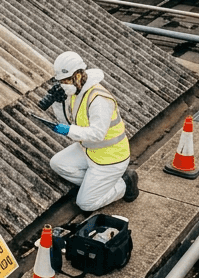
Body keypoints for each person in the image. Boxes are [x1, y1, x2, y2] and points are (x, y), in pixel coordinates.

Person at [45, 51, 138, 212]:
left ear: (78, 75)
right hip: (89, 149)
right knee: (57, 164)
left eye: (66, 80)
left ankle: (124, 183)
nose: (63, 84)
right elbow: (68, 122)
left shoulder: (99, 99)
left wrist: (69, 130)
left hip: (110, 157)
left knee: (85, 204)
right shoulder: (76, 92)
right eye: (61, 81)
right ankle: (96, 186)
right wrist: (57, 104)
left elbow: (97, 134)